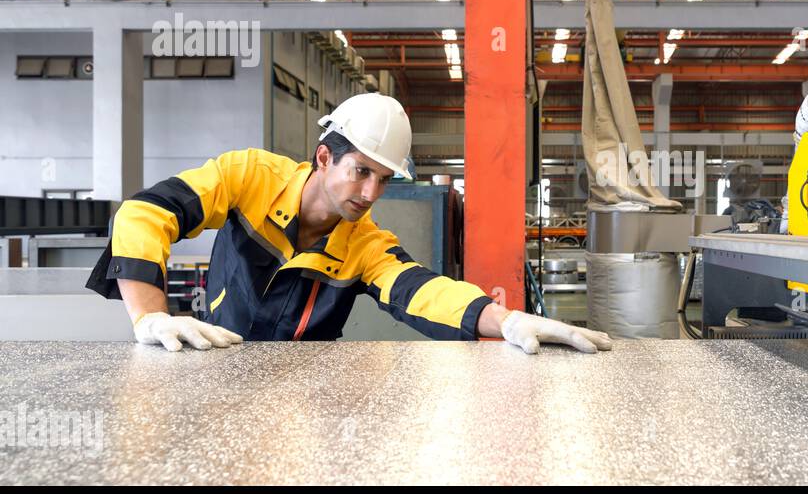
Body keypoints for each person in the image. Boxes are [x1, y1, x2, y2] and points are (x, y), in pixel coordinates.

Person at [86, 92, 611, 356]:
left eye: (383, 180)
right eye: (361, 172)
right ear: (322, 157)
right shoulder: (246, 178)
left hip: (309, 400)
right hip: (214, 363)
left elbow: (424, 292)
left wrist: (509, 320)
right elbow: (145, 212)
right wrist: (149, 318)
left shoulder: (365, 245)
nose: (370, 194)